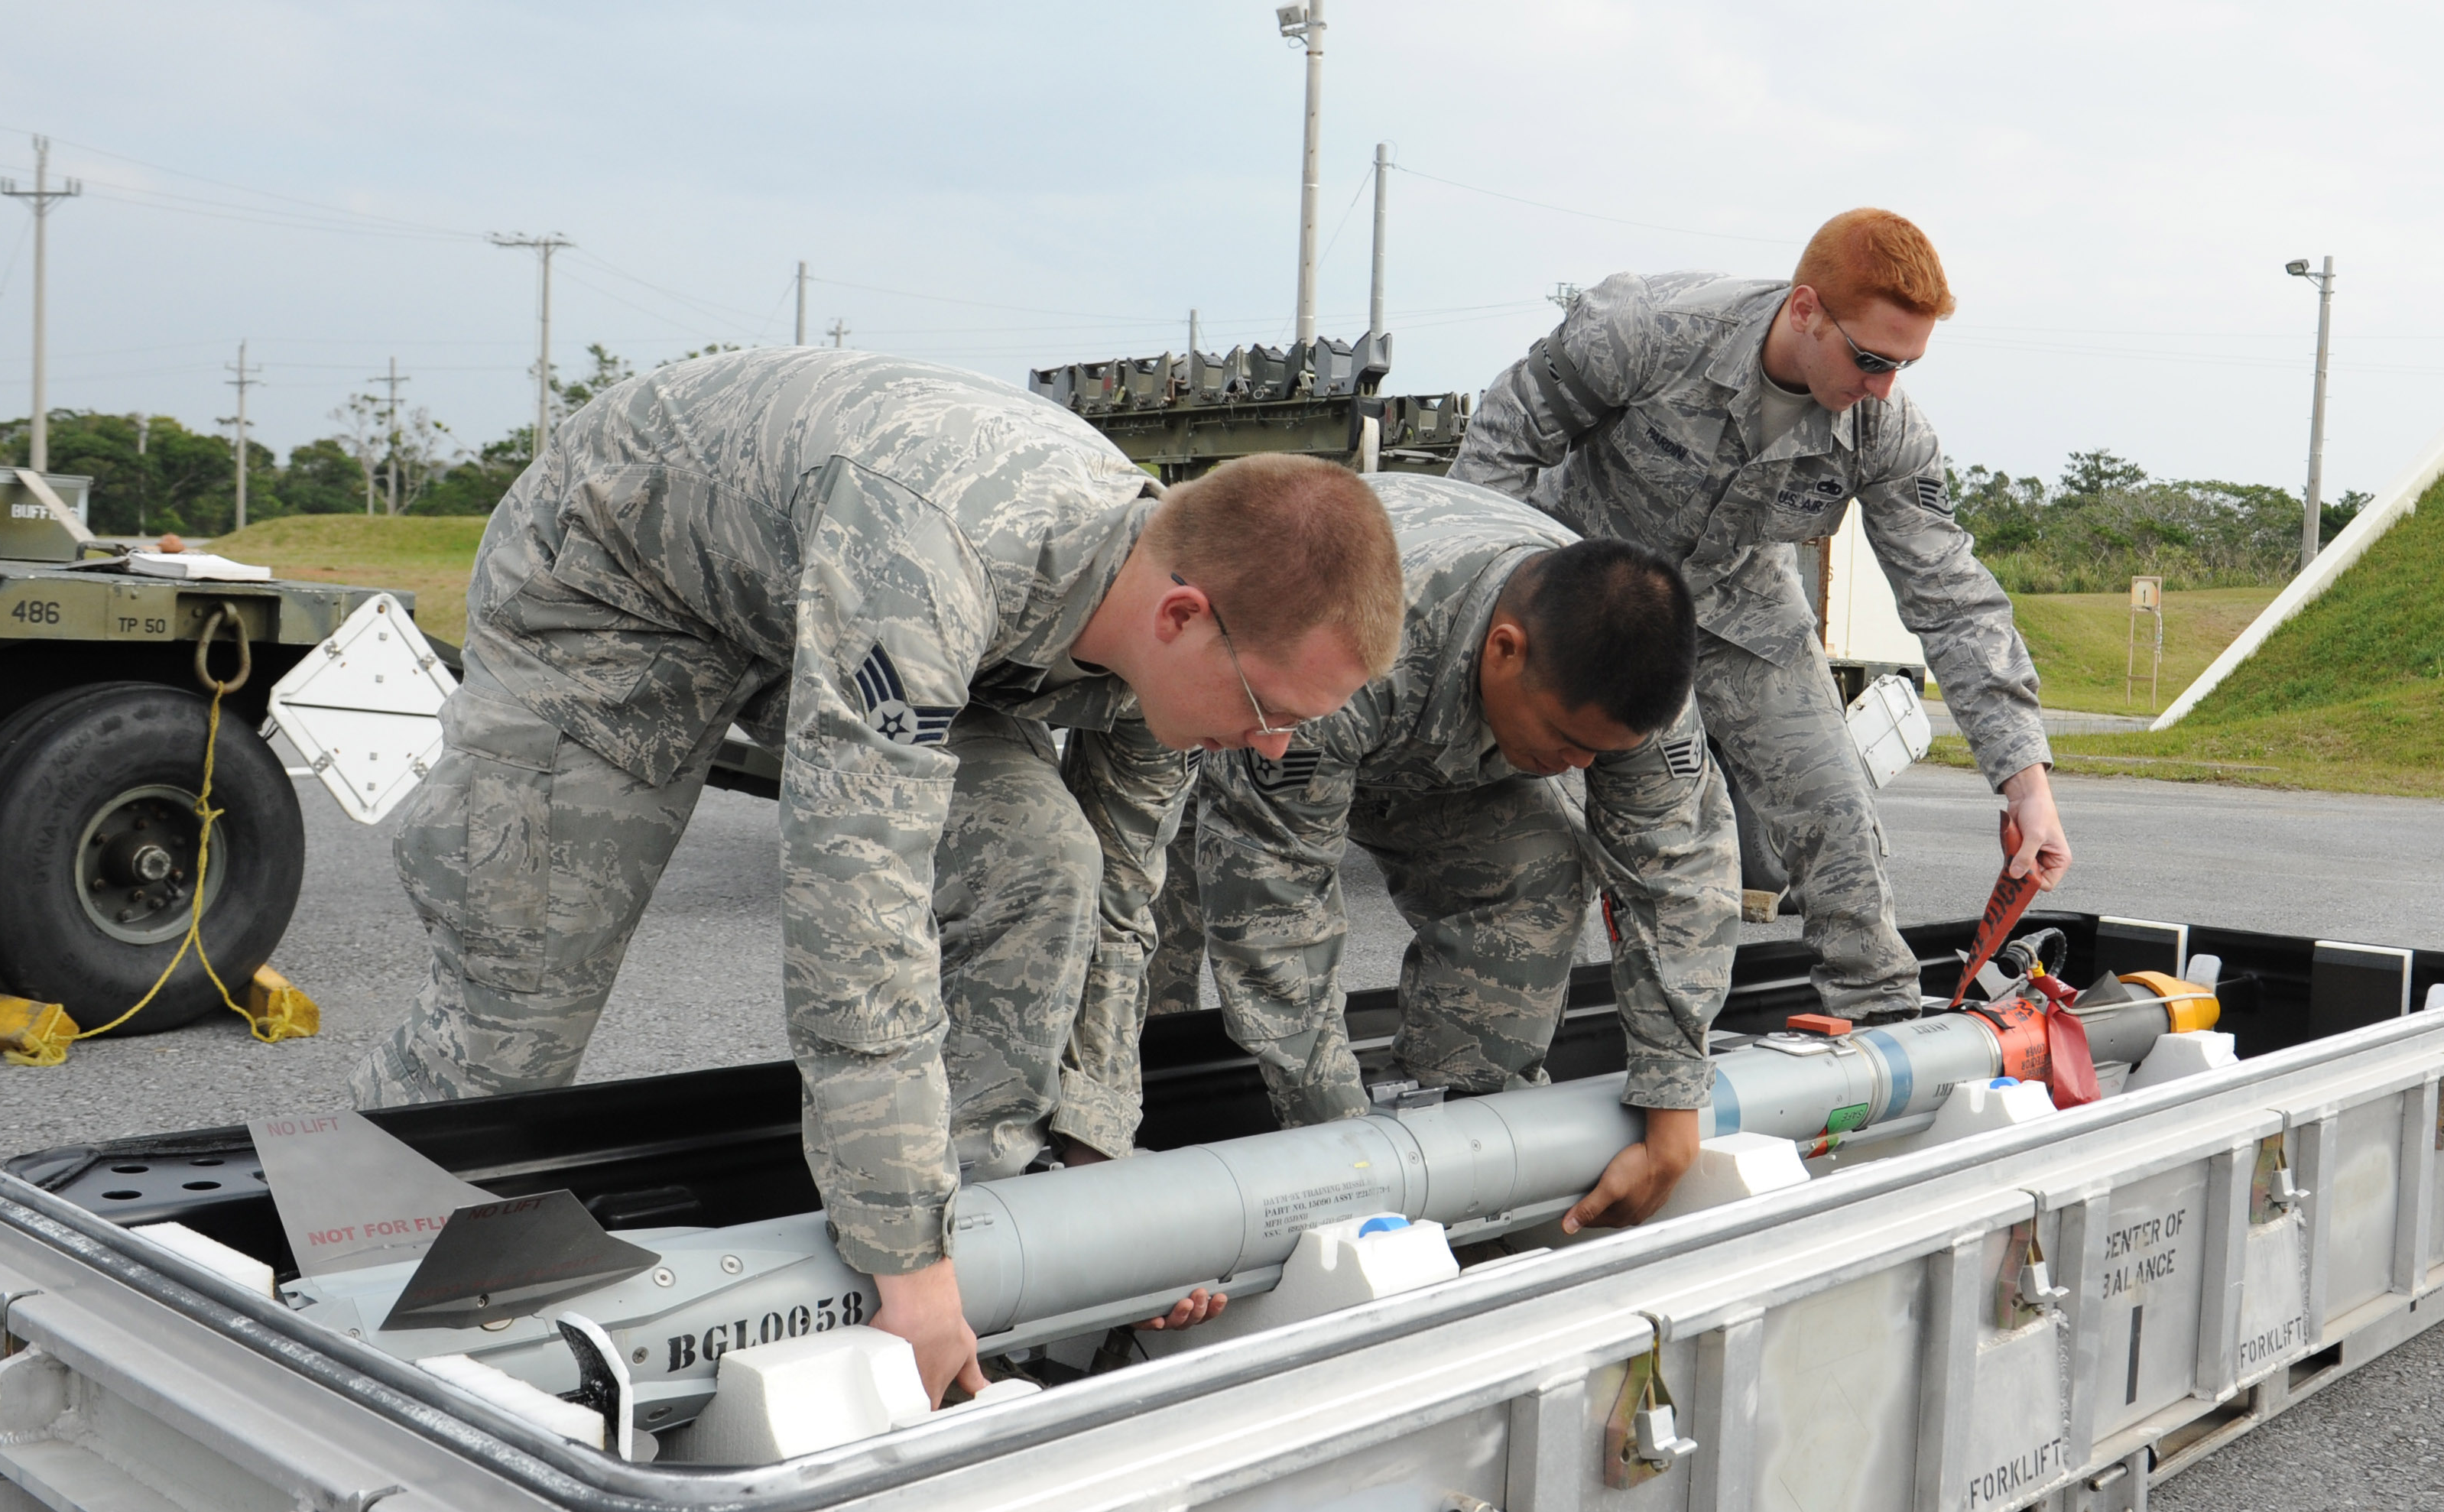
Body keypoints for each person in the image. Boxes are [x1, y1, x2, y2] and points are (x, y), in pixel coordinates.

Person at [348, 349, 1402, 1401]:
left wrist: (1097, 1164)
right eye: (1273, 715)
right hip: (625, 586)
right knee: (521, 1000)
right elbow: (857, 901)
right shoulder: (935, 551)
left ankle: (980, 1245)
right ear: (1180, 621)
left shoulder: (1168, 626)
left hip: (826, 596)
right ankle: (342, 1281)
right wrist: (902, 1249)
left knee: (1048, 865)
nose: (1275, 752)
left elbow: (1124, 906)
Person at [1450, 208, 2069, 1024]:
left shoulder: (1884, 426)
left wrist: (2026, 783)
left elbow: (1950, 594)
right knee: (1584, 851)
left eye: (1905, 366)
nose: (1883, 387)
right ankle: (1518, 1060)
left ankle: (1880, 1031)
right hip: (1591, 602)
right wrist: (1490, 626)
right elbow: (1495, 454)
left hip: (1740, 611)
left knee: (1837, 818)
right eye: (1872, 359)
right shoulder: (1647, 331)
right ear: (1805, 309)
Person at [1180, 473, 1737, 1234]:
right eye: (1567, 741)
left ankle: (1467, 1144)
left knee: (1537, 865)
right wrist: (1345, 1150)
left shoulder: (1631, 674)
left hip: (1444, 745)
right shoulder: (1343, 640)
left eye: (1598, 756)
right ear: (1507, 651)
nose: (1579, 768)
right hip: (1232, 720)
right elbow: (1273, 898)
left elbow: (1679, 876)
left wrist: (1675, 1099)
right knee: (1153, 949)